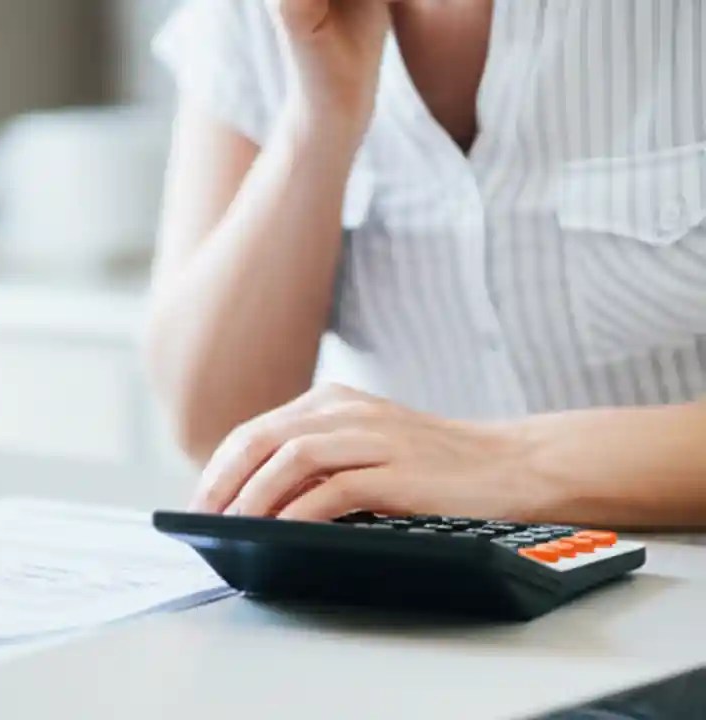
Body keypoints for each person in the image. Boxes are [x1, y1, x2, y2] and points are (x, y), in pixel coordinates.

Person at [145, 0, 706, 528]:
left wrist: (497, 461)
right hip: (398, 590)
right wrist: (319, 120)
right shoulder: (245, 16)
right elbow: (215, 430)